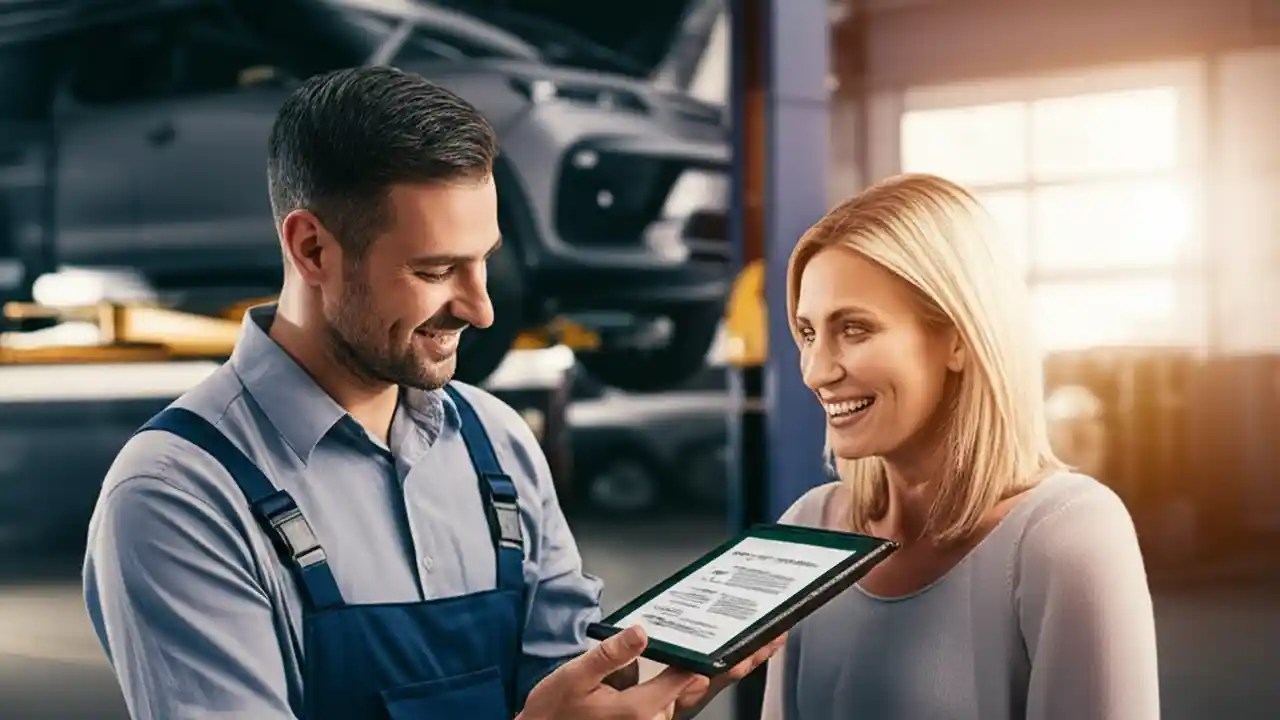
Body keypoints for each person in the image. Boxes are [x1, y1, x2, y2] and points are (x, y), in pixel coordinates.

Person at [82, 65, 768, 720]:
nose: (481, 309)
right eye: (437, 269)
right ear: (312, 250)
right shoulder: (179, 496)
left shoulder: (496, 445)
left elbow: (567, 674)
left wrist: (648, 695)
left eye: (485, 263)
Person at [761, 174, 1160, 719]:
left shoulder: (1065, 533)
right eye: (808, 333)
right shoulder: (807, 528)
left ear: (956, 338)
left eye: (853, 330)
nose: (816, 370)